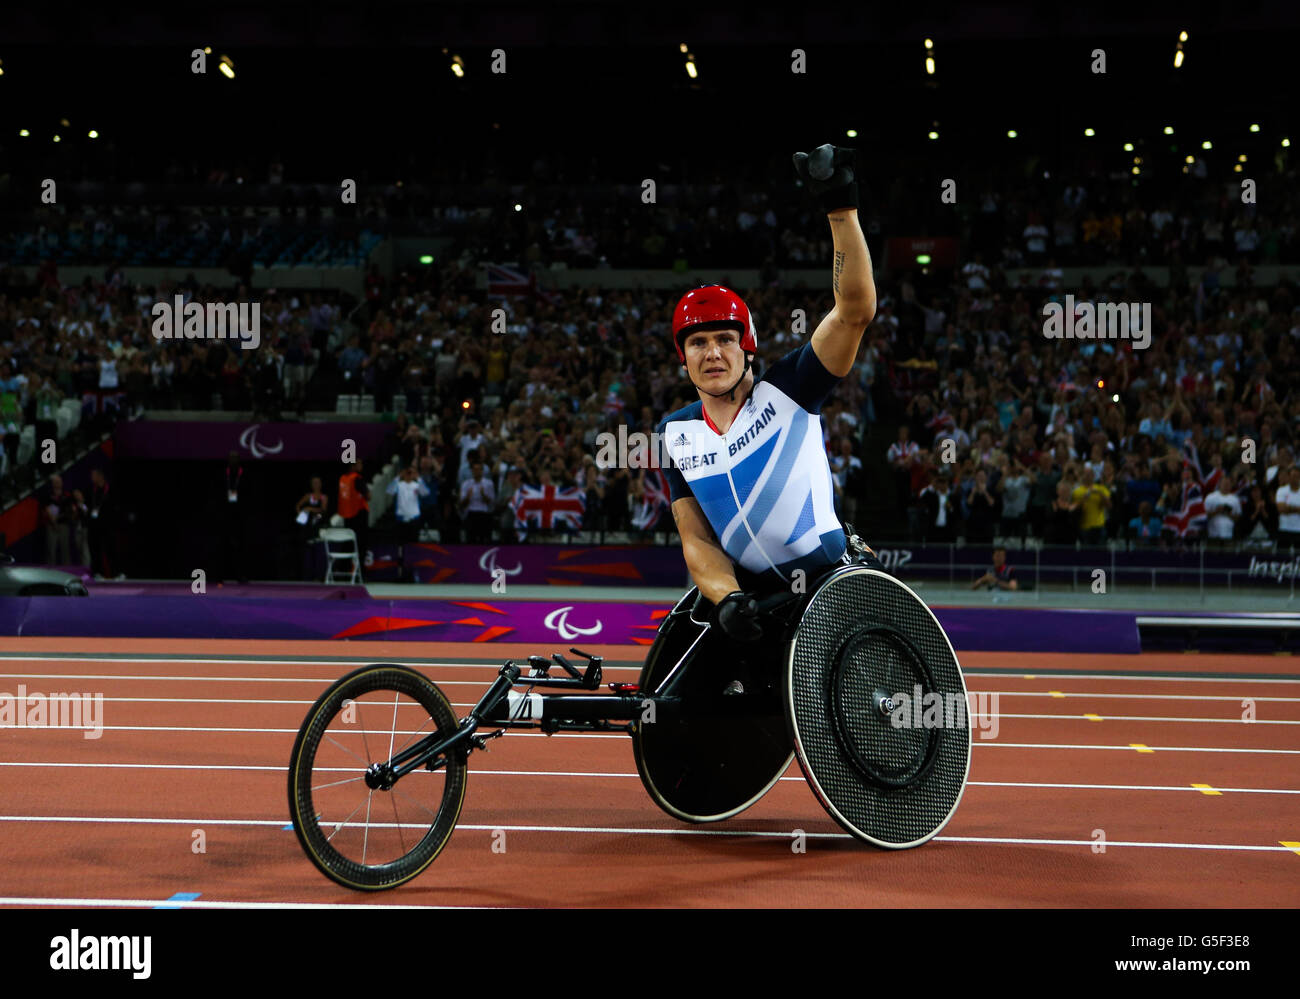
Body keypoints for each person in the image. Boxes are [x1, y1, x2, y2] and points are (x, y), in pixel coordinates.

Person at [657, 143, 880, 695]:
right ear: (682, 356)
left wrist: (840, 210)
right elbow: (698, 540)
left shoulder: (791, 387)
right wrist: (726, 596)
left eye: (725, 340)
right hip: (757, 605)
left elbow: (855, 312)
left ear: (747, 348)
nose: (712, 353)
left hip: (831, 586)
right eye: (698, 343)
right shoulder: (674, 435)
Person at [387, 465, 429, 581]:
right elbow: (389, 491)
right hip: (401, 520)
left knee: (413, 547)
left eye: (411, 473)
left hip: (414, 520)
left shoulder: (416, 485)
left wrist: (418, 478)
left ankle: (413, 573)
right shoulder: (399, 485)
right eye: (407, 473)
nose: (409, 475)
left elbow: (425, 493)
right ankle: (401, 573)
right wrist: (398, 477)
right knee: (401, 547)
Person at [337, 461, 369, 577]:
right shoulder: (357, 478)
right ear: (353, 466)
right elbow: (368, 495)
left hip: (347, 517)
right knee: (360, 546)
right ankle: (361, 574)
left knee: (347, 545)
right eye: (359, 463)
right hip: (359, 517)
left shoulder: (343, 479)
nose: (362, 466)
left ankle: (343, 572)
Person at [295, 476, 330, 579]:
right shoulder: (307, 496)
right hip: (307, 528)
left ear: (321, 484)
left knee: (317, 551)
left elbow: (323, 510)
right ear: (311, 484)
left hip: (318, 527)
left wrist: (310, 508)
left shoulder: (323, 497)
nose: (316, 485)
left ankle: (318, 575)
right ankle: (305, 575)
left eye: (318, 483)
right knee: (306, 551)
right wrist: (301, 515)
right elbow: (298, 506)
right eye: (314, 483)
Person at [1071, 466, 1112, 546]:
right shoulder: (1077, 491)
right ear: (1082, 475)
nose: (1088, 476)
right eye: (1086, 474)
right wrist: (1084, 499)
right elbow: (1074, 509)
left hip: (1099, 526)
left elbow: (1109, 506)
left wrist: (1100, 494)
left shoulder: (1101, 489)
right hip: (1084, 527)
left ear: (1093, 476)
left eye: (1090, 474)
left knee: (1101, 553)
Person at [459, 460, 496, 543]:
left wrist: (483, 495)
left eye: (479, 469)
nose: (477, 471)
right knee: (471, 539)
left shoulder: (488, 484)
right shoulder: (466, 484)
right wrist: (468, 497)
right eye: (474, 469)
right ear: (471, 471)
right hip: (471, 513)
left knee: (484, 539)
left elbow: (491, 503)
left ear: (482, 471)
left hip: (484, 514)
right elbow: (461, 504)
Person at [1202, 475, 1241, 549]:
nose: (1226, 486)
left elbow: (1238, 518)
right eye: (1224, 483)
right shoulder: (1211, 497)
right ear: (1219, 484)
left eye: (1228, 484)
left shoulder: (1235, 499)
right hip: (1213, 536)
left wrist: (1228, 513)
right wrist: (1217, 511)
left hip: (1229, 536)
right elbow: (1204, 516)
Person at [1274, 466, 1300, 551]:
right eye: (1292, 476)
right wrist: (1297, 509)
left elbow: (1285, 508)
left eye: (1297, 476)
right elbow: (1281, 509)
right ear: (1289, 477)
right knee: (1281, 555)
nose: (1294, 479)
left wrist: (1288, 508)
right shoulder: (1281, 491)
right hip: (1284, 529)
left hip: (1298, 530)